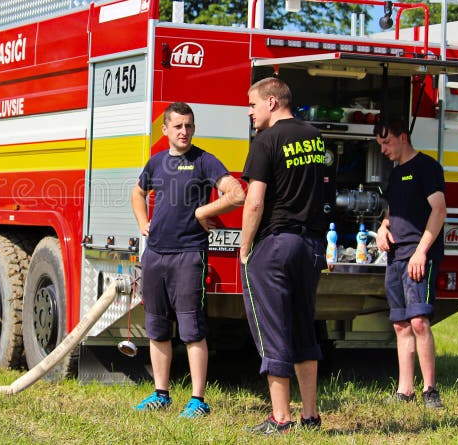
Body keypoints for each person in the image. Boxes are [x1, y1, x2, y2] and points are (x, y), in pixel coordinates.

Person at [131, 101, 244, 418]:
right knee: (156, 327)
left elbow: (236, 193)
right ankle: (161, 394)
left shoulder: (204, 161)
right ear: (165, 129)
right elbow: (137, 193)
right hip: (155, 254)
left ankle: (198, 400)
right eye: (178, 126)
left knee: (192, 329)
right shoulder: (155, 163)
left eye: (189, 126)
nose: (184, 131)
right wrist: (143, 222)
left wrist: (203, 212)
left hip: (189, 255)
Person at [238, 77, 326, 435]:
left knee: (272, 328)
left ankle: (280, 418)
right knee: (304, 326)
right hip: (311, 246)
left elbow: (255, 200)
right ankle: (310, 415)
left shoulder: (266, 141)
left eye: (253, 104)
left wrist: (245, 248)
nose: (250, 111)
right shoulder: (315, 137)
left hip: (276, 245)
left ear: (272, 102)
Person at [374, 116, 446, 410]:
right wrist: (383, 226)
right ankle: (405, 390)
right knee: (401, 324)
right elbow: (393, 210)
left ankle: (430, 390)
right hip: (395, 257)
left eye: (387, 142)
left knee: (419, 321)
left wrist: (421, 252)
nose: (384, 150)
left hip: (419, 256)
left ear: (403, 137)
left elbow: (439, 211)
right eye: (380, 145)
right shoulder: (395, 174)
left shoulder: (427, 167)